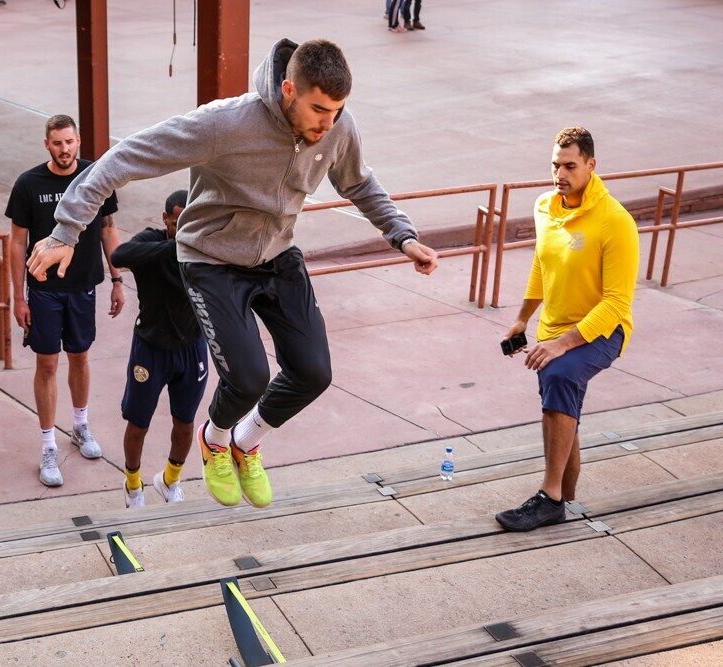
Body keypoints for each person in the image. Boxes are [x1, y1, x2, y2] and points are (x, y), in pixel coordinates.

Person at [27, 39, 438, 509]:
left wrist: (401, 234)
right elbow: (125, 157)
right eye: (319, 110)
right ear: (288, 90)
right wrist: (67, 229)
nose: (329, 124)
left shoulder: (338, 127)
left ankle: (245, 440)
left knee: (313, 372)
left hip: (277, 255)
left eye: (338, 110)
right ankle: (215, 439)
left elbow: (359, 182)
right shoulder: (224, 122)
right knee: (248, 377)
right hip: (211, 260)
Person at [496, 127, 640, 532]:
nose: (560, 173)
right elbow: (543, 265)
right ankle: (567, 493)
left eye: (570, 166)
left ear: (591, 165)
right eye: (555, 165)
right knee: (559, 395)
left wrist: (563, 344)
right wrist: (523, 318)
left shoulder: (616, 222)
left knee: (559, 375)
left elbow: (616, 302)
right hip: (555, 328)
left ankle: (550, 498)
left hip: (603, 331)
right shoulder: (545, 206)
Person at [7, 114, 124, 487]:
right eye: (57, 143)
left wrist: (118, 278)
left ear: (78, 140)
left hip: (84, 286)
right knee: (46, 365)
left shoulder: (95, 176)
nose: (64, 149)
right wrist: (18, 297)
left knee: (80, 356)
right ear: (47, 144)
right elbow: (16, 242)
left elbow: (108, 228)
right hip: (42, 290)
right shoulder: (28, 184)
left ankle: (80, 426)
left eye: (69, 142)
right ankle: (47, 446)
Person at [110, 190, 209, 508]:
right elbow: (119, 256)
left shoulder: (203, 247)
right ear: (165, 219)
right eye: (178, 222)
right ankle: (133, 486)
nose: (184, 229)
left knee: (185, 422)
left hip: (191, 348)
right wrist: (174, 247)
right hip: (150, 348)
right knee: (138, 422)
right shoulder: (152, 242)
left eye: (190, 223)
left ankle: (170, 480)